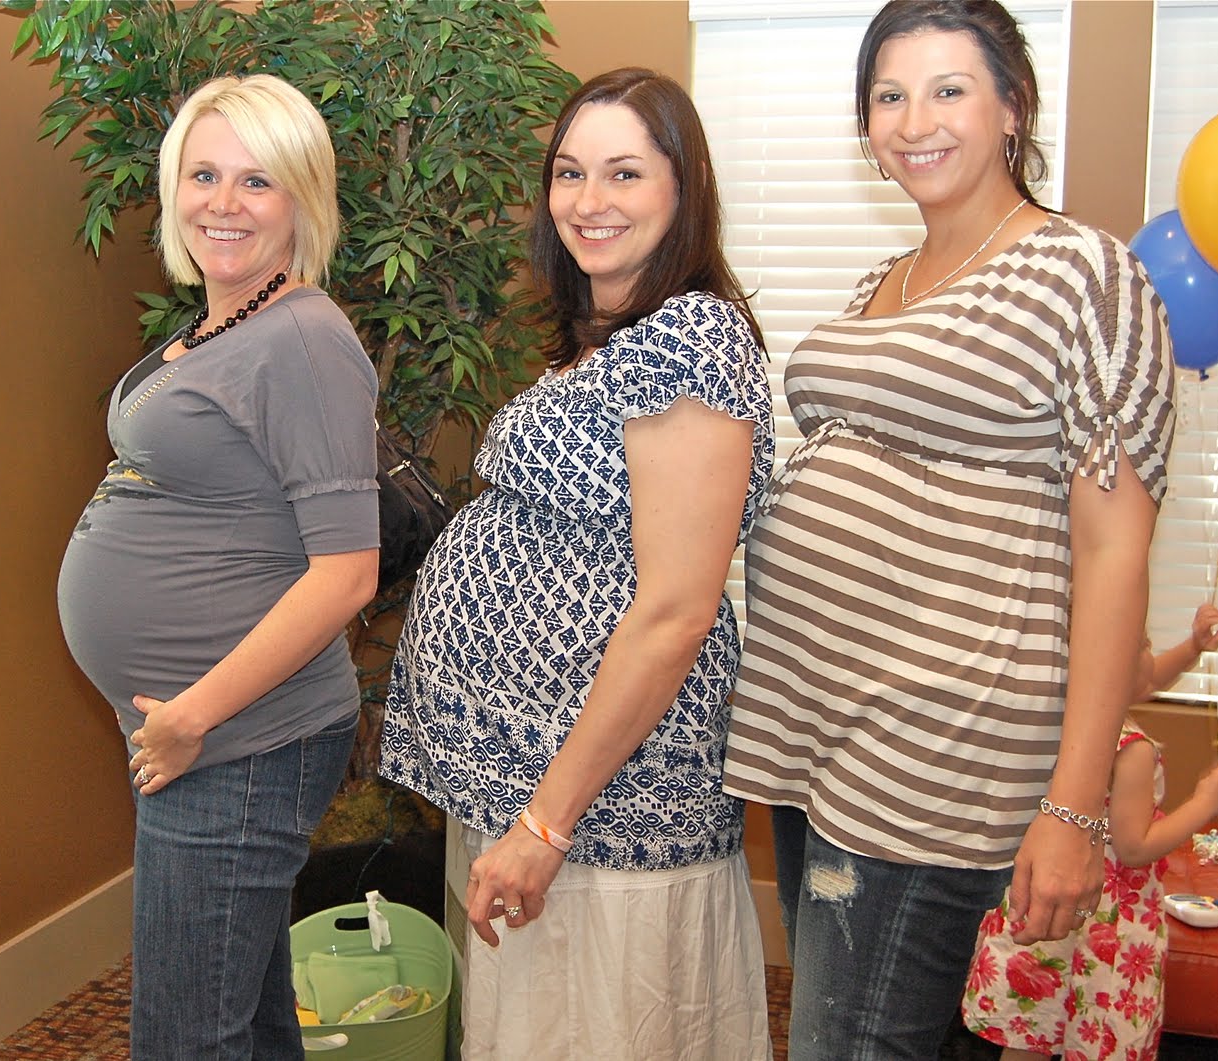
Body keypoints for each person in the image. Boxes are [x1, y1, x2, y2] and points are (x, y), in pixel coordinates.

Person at [721, 2, 1178, 1057]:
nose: (912, 119)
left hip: (933, 754)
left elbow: (1114, 552)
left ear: (1012, 108)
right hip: (817, 733)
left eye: (948, 89)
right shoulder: (881, 282)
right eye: (888, 95)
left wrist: (1073, 810)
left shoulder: (1085, 276)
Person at [381, 67, 775, 1060]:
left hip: (605, 801)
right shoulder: (608, 337)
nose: (589, 201)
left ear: (682, 190)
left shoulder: (687, 334)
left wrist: (545, 825)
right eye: (569, 172)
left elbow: (677, 608)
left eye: (625, 174)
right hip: (546, 785)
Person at [56, 74, 378, 1059]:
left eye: (257, 181)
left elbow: (347, 573)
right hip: (206, 731)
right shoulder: (220, 326)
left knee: (183, 1034)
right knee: (245, 1017)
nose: (223, 203)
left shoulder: (304, 336)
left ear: (301, 200)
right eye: (204, 174)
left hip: (240, 737)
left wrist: (195, 713)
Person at [963, 604, 1218, 1060]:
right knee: (1093, 1040)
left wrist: (1191, 648)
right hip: (1103, 928)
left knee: (1028, 1032)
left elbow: (1143, 680)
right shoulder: (1133, 751)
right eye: (1144, 646)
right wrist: (1205, 803)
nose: (1152, 656)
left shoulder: (1048, 728)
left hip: (1040, 905)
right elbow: (1134, 848)